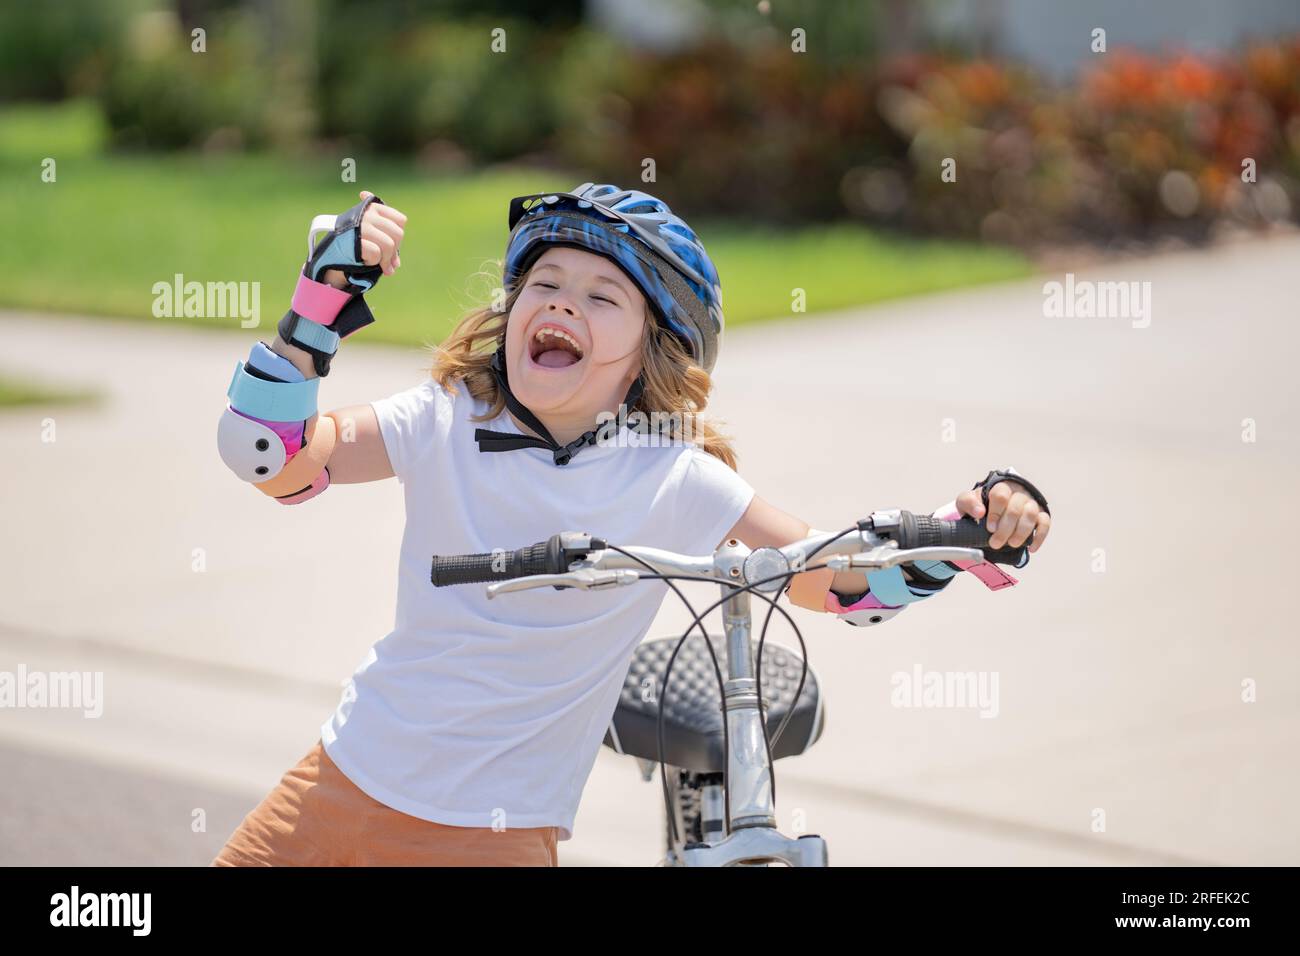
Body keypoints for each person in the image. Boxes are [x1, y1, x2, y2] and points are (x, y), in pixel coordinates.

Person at [211, 183, 1053, 866]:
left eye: (601, 295)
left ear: (652, 347)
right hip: (343, 782)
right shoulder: (443, 419)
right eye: (543, 285)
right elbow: (268, 457)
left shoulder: (673, 474)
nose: (562, 304)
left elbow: (835, 579)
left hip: (498, 835)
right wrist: (318, 307)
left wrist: (968, 527)